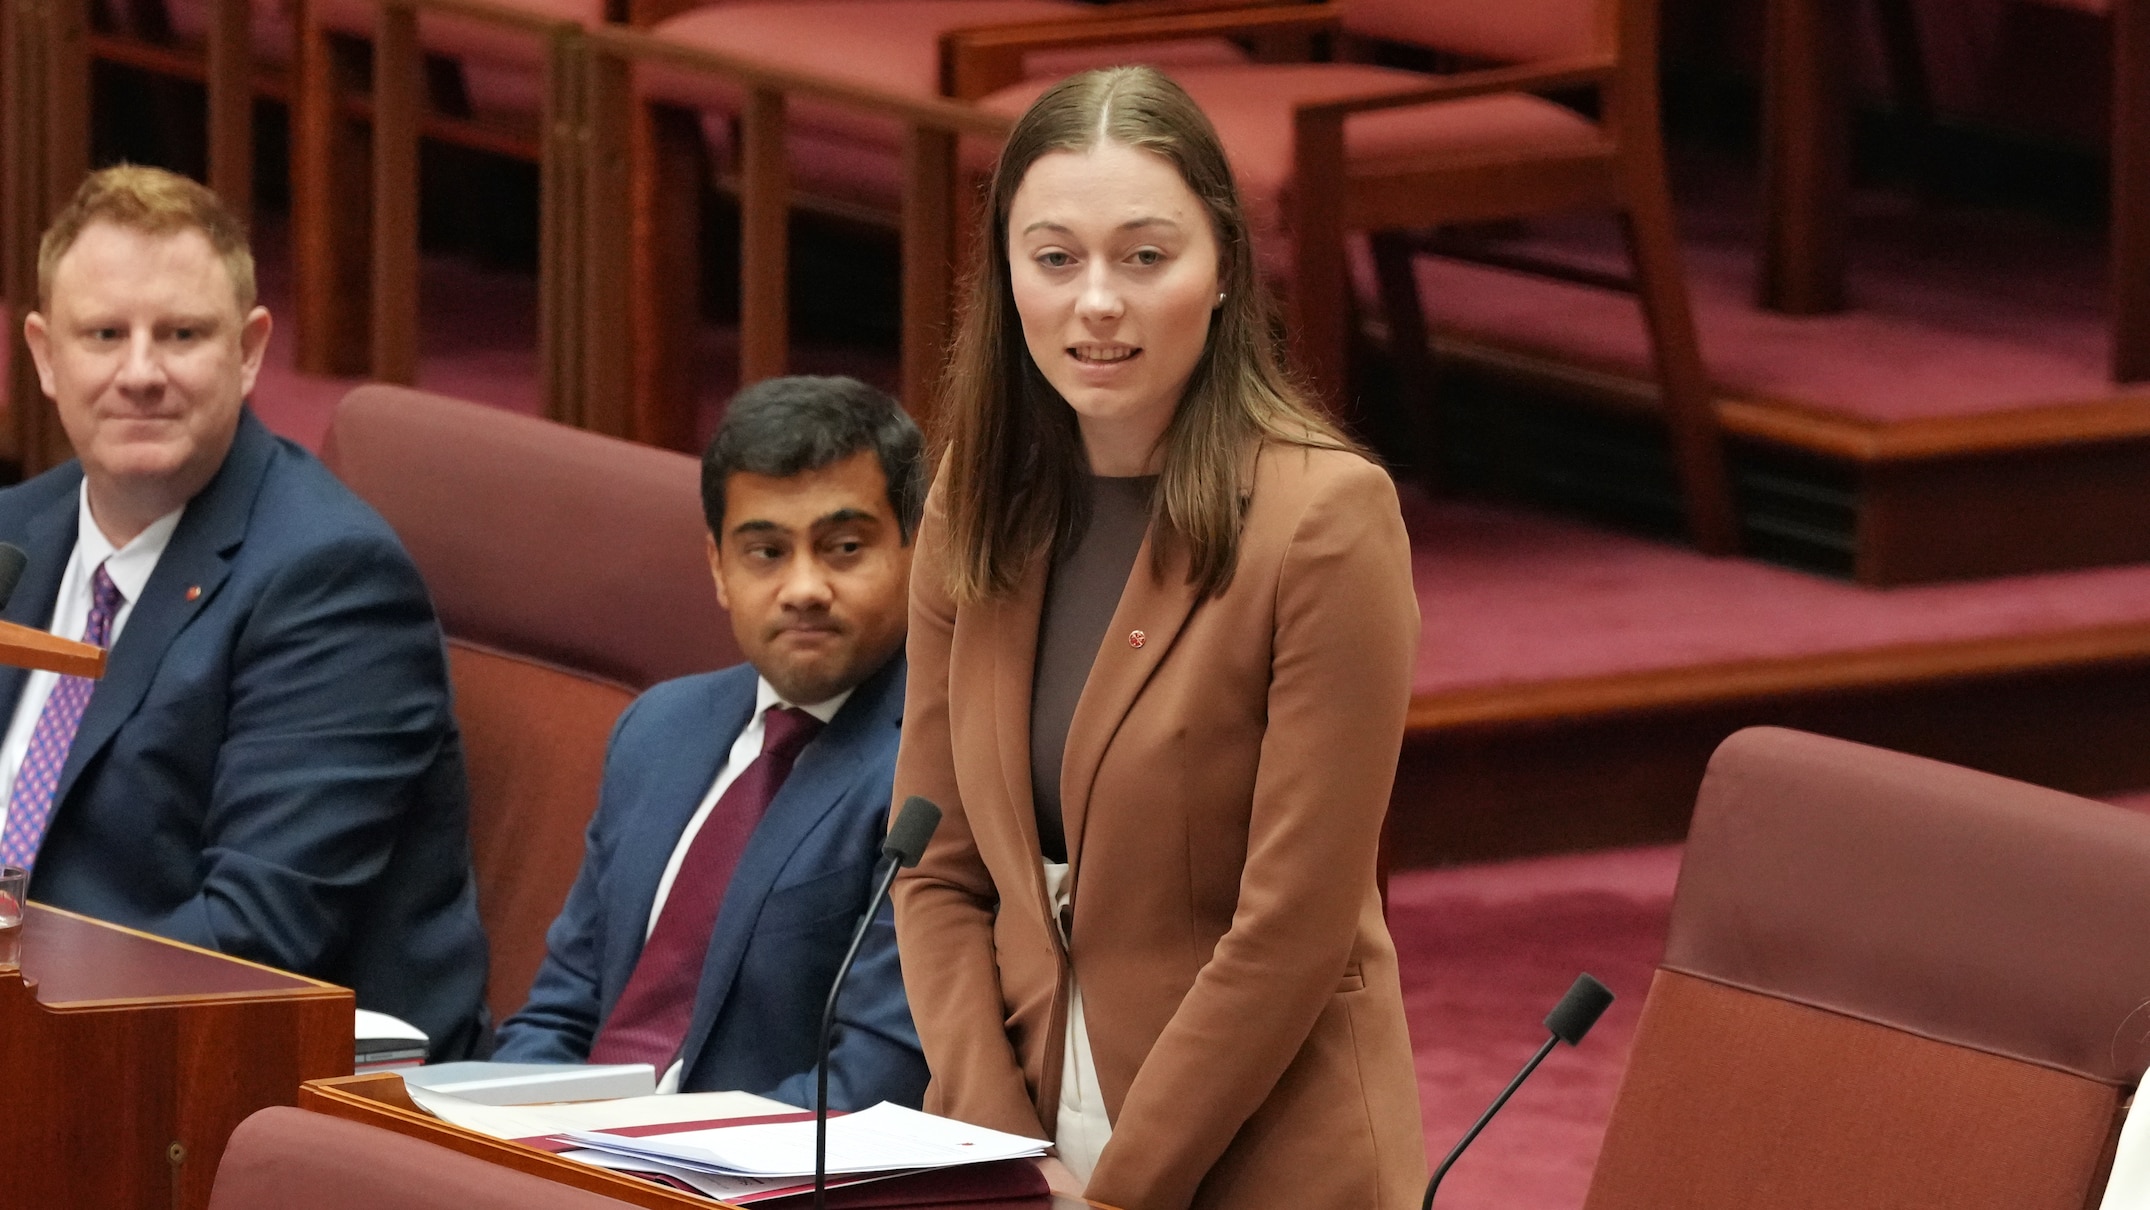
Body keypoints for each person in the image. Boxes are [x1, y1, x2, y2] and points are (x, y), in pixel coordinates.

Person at [891, 67, 1428, 1209]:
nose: (1097, 301)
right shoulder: (974, 504)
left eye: (1143, 256)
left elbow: (1291, 930)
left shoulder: (1324, 521)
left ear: (1223, 265)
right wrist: (1001, 1164)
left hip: (1264, 1154)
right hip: (1027, 1140)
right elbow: (935, 872)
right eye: (1055, 258)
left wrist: (1115, 1196)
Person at [0, 164, 487, 1058]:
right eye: (104, 334)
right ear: (43, 355)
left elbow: (248, 941)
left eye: (181, 334)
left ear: (251, 350)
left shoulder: (333, 583)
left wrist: (17, 1012)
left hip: (219, 1068)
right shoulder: (13, 535)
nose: (140, 373)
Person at [495, 376, 930, 1109]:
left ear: (918, 551)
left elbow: (868, 1088)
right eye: (766, 552)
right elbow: (559, 1015)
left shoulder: (935, 769)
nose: (803, 588)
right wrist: (497, 1129)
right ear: (718, 569)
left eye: (845, 547)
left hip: (745, 1164)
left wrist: (647, 1149)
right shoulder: (659, 729)